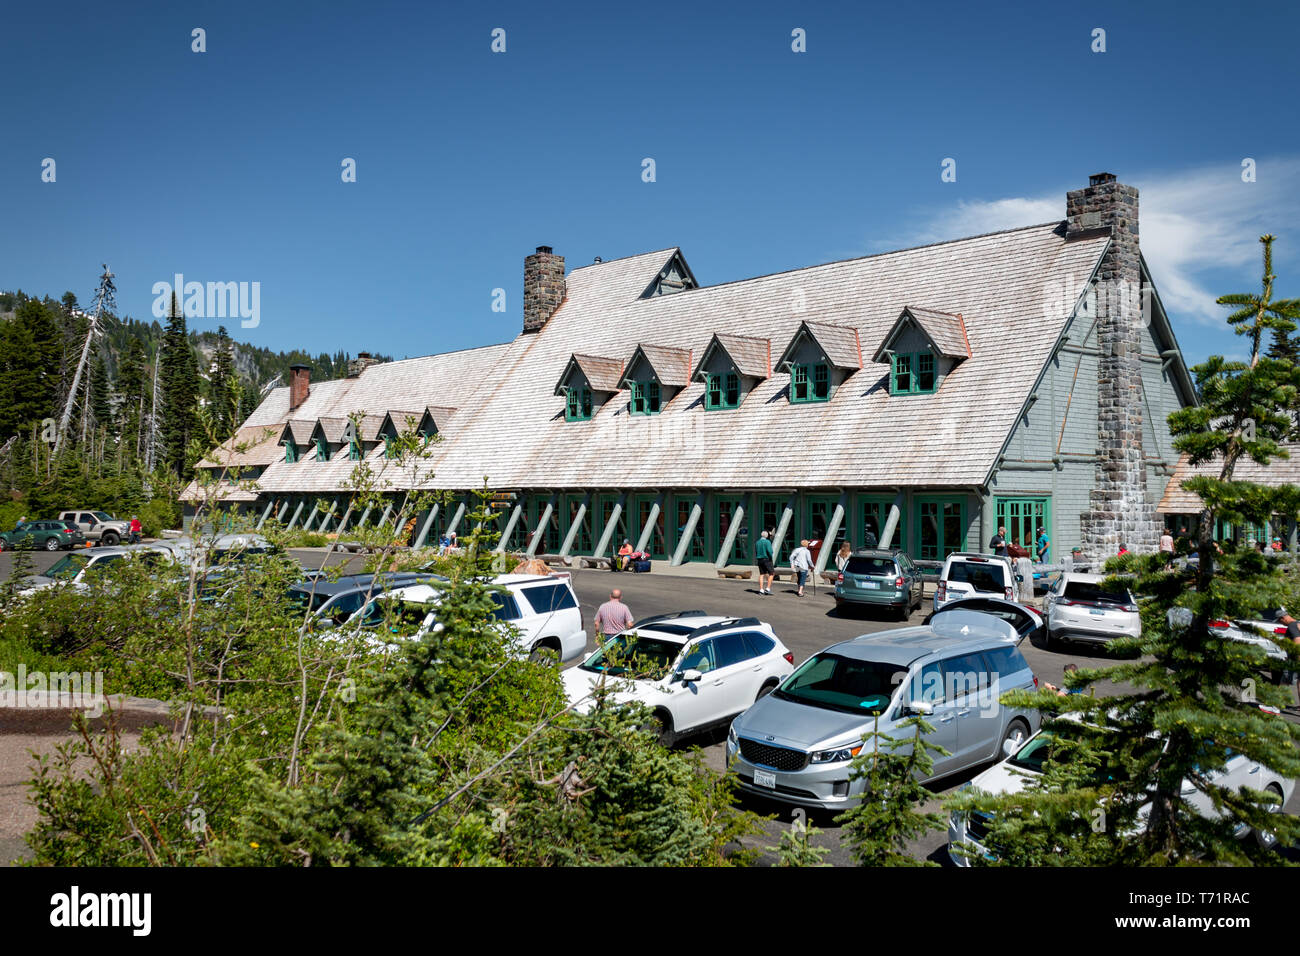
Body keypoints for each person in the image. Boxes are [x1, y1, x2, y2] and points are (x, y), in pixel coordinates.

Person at [755, 530, 775, 595]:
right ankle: (767, 589)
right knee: (771, 573)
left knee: (761, 574)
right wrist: (771, 555)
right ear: (766, 536)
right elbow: (770, 551)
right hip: (766, 559)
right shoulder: (767, 542)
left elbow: (756, 551)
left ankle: (761, 590)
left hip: (759, 559)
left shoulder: (757, 542)